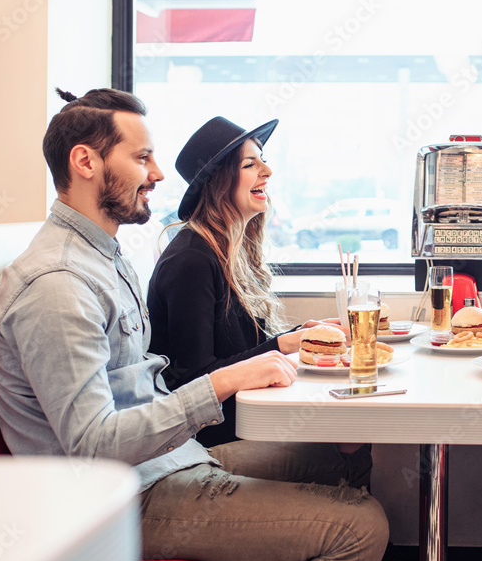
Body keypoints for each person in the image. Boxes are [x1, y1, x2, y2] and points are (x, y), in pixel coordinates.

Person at [0, 88, 388, 561]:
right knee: (362, 527)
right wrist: (222, 382)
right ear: (85, 162)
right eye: (141, 157)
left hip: (169, 463)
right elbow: (94, 446)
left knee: (336, 451)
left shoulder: (105, 258)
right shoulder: (58, 284)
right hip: (119, 502)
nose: (156, 174)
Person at [147, 116, 348, 448]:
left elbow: (239, 352)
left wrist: (296, 338)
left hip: (246, 422)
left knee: (350, 433)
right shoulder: (191, 261)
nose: (267, 173)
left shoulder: (229, 250)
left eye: (264, 162)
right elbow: (195, 382)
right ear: (218, 181)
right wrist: (282, 346)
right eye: (250, 164)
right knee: (348, 440)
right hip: (210, 442)